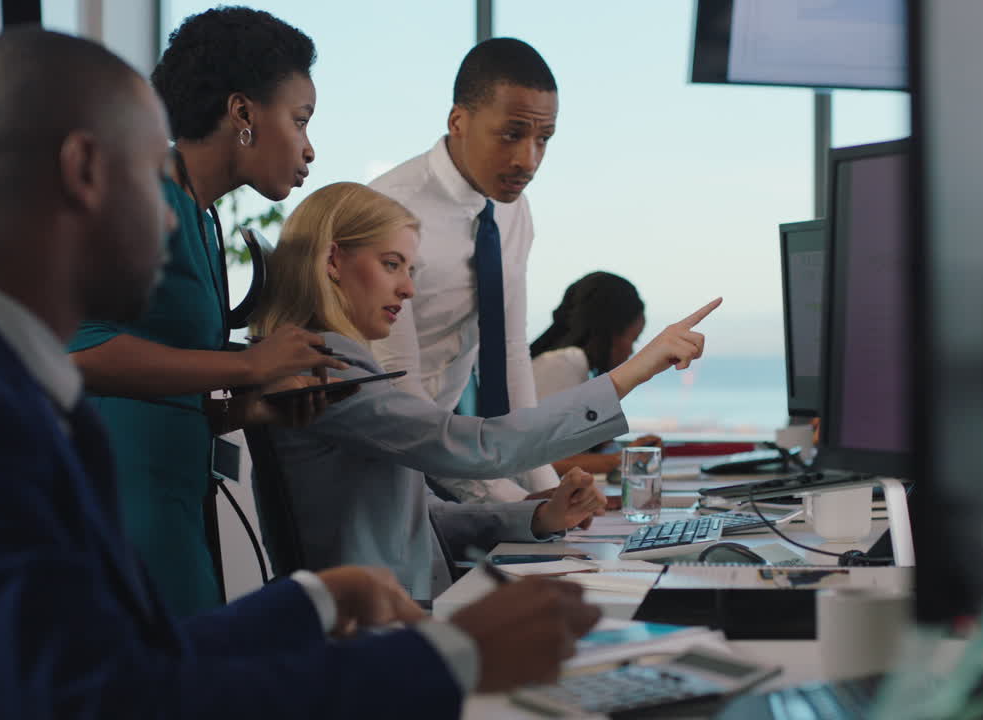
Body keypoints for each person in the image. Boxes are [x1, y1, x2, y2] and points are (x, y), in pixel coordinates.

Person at [0, 29, 602, 718]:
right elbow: (106, 701)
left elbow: (136, 655)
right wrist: (454, 658)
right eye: (153, 172)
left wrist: (313, 601)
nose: (172, 209)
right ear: (85, 171)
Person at [251, 182, 720, 600]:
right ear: (333, 261)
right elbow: (480, 447)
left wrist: (539, 518)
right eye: (392, 264)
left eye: (410, 269)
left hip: (405, 606)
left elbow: (426, 520)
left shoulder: (344, 362)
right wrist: (631, 374)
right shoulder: (325, 368)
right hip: (371, 624)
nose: (409, 289)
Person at [67, 7, 342, 617]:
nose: (309, 148)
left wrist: (251, 407)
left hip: (174, 496)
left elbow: (164, 391)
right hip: (123, 504)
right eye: (300, 121)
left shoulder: (202, 213)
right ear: (243, 113)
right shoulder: (141, 194)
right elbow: (80, 351)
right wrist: (247, 367)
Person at [369, 38, 562, 503]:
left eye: (543, 139)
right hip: (375, 455)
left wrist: (549, 490)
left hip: (447, 448)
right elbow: (397, 384)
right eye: (512, 134)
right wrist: (505, 498)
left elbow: (511, 351)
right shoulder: (389, 209)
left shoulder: (514, 211)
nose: (528, 161)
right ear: (459, 121)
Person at [531, 271, 663, 476]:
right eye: (633, 339)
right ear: (612, 331)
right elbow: (542, 463)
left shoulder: (574, 366)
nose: (631, 351)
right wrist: (627, 459)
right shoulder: (562, 364)